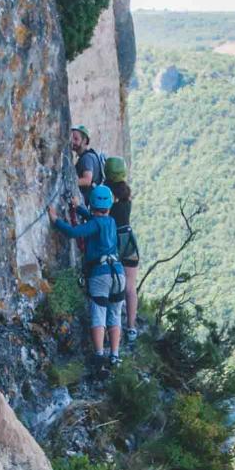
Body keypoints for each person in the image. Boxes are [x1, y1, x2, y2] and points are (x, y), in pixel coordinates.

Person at [49, 185, 125, 368]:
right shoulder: (111, 222)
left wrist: (56, 220)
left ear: (92, 203)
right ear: (109, 205)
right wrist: (79, 208)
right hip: (119, 273)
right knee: (114, 315)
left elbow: (74, 232)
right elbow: (96, 221)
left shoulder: (95, 223)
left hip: (101, 274)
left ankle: (99, 356)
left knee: (99, 314)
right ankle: (114, 355)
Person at [104, 155, 141, 344]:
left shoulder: (107, 196)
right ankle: (132, 327)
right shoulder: (126, 194)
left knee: (113, 286)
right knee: (130, 287)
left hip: (114, 242)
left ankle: (112, 326)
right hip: (130, 241)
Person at [68, 124, 104, 217]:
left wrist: (68, 182)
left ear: (84, 141)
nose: (73, 142)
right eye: (72, 138)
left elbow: (87, 180)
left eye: (76, 139)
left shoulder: (86, 158)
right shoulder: (90, 156)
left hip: (85, 200)